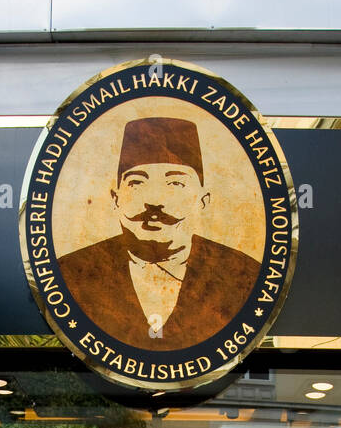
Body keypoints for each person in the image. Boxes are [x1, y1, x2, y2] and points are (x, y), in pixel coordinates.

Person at [57, 116, 260, 350]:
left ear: (203, 201)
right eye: (137, 183)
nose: (154, 201)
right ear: (116, 199)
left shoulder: (243, 277)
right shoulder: (73, 274)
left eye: (175, 184)